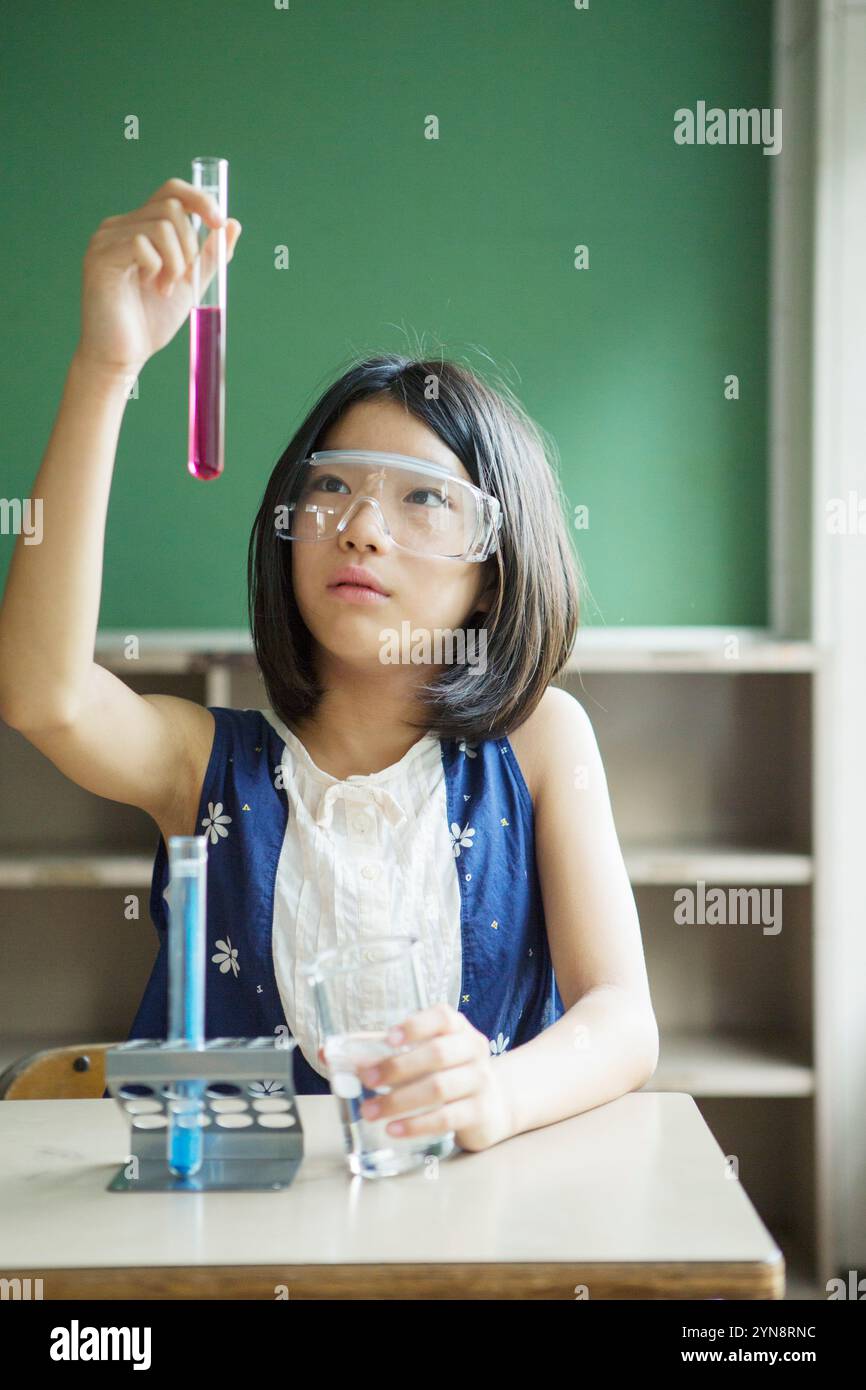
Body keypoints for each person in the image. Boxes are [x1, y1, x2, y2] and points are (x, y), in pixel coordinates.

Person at [0, 176, 658, 1154]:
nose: (357, 527)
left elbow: (619, 1019)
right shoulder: (203, 765)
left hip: (472, 1240)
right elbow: (43, 695)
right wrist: (108, 366)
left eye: (420, 500)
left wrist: (495, 1096)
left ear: (491, 571)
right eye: (331, 488)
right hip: (223, 1241)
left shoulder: (537, 741)